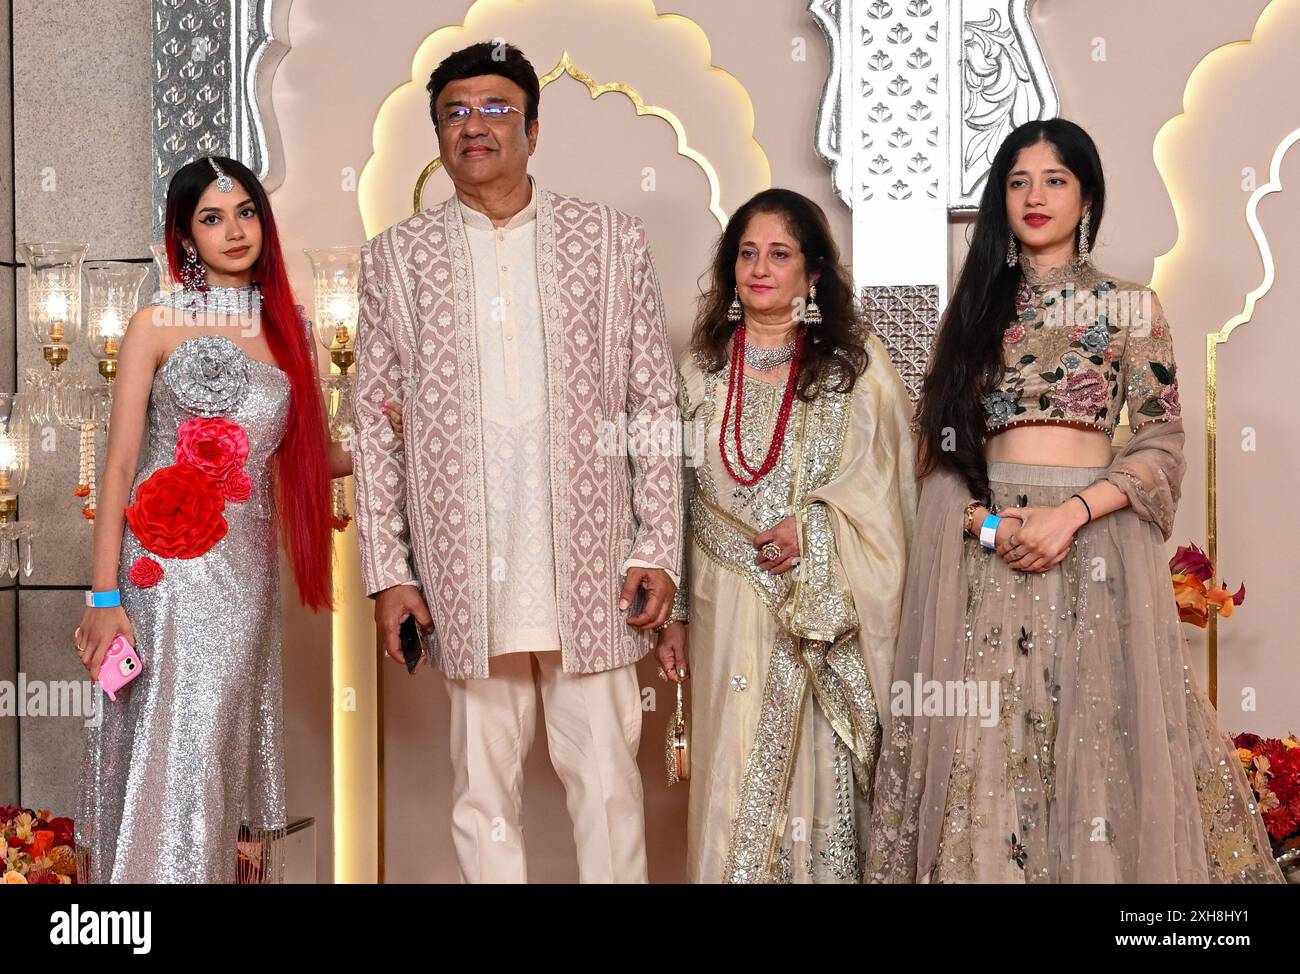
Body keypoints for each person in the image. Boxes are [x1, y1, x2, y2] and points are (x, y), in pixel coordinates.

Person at [867, 119, 1282, 883]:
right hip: (987, 564)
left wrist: (1069, 516)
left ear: (1086, 194)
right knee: (985, 760)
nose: (1035, 195)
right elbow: (939, 458)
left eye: (1055, 179)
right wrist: (996, 528)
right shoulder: (969, 316)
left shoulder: (1131, 307)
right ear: (1000, 197)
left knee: (1097, 753)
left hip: (1094, 556)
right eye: (1018, 181)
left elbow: (1161, 444)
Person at [352, 41, 682, 883]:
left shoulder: (610, 240)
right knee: (481, 791)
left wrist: (656, 548)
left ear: (533, 128)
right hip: (466, 568)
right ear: (436, 136)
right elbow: (373, 422)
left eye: (495, 108)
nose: (475, 126)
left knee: (607, 785)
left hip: (594, 558)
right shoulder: (395, 258)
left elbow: (653, 403)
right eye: (455, 112)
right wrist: (391, 571)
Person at [74, 156, 352, 883]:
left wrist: (399, 436)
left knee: (217, 750)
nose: (234, 230)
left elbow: (300, 460)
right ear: (185, 238)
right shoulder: (156, 323)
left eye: (247, 212)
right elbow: (118, 468)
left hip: (246, 575)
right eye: (212, 218)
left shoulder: (289, 327)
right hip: (164, 573)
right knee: (178, 749)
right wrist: (104, 599)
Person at [655, 188, 916, 883]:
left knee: (818, 778)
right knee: (730, 773)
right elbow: (673, 496)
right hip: (720, 606)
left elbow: (889, 488)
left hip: (819, 617)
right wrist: (675, 615)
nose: (760, 268)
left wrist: (818, 531)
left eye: (780, 253)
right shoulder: (698, 372)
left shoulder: (854, 370)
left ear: (814, 274)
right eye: (746, 253)